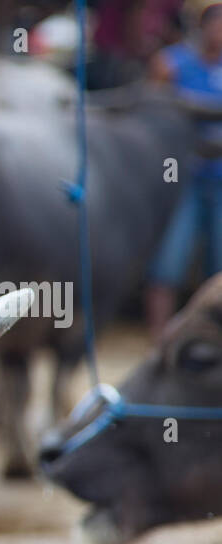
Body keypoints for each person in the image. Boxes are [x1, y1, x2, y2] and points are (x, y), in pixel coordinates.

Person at [146, 0, 222, 338]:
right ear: (202, 27)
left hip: (220, 181)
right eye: (216, 24)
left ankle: (208, 342)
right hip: (181, 180)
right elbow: (155, 120)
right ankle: (159, 339)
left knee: (217, 268)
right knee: (168, 263)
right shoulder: (171, 64)